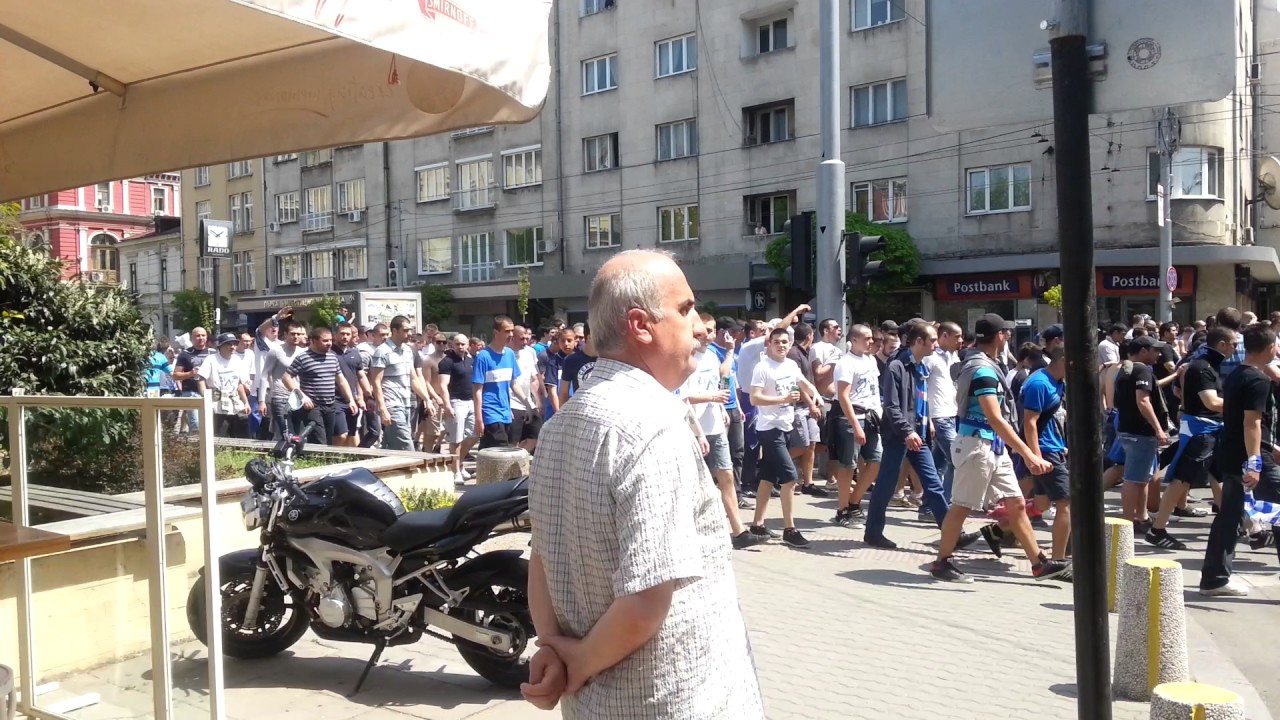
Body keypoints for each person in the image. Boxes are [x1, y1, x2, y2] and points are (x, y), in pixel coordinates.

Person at [523, 250, 764, 718]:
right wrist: (577, 661)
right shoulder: (653, 426)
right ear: (641, 325)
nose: (700, 327)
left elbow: (542, 559)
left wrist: (552, 648)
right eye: (685, 309)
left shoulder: (558, 426)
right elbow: (647, 596)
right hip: (672, 700)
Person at [933, 314, 1068, 583]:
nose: (1009, 337)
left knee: (1017, 504)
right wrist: (1028, 454)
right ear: (1000, 336)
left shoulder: (985, 365)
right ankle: (941, 562)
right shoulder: (982, 370)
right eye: (1006, 333)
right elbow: (995, 418)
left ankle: (1039, 564)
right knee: (961, 506)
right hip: (977, 445)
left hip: (991, 446)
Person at [1199, 323, 1279, 597]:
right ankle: (1214, 578)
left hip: (1235, 454)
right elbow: (1251, 423)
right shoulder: (1258, 380)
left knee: (1230, 516)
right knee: (1269, 511)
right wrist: (1255, 460)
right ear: (1270, 348)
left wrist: (1268, 447)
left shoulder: (1237, 375)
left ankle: (1214, 578)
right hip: (1249, 458)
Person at [1022, 347, 1072, 563]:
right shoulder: (1039, 383)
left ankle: (999, 529)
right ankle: (1058, 560)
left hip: (1054, 448)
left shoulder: (1059, 382)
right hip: (1045, 450)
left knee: (1042, 504)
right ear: (1063, 359)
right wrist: (1036, 457)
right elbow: (1029, 422)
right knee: (1066, 503)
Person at [282, 326, 357, 445]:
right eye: (325, 341)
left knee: (329, 440)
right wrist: (302, 396)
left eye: (330, 340)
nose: (329, 343)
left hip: (330, 405)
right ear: (313, 341)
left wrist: (351, 400)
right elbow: (286, 378)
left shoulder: (332, 357)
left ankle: (326, 457)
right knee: (319, 440)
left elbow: (341, 380)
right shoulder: (303, 358)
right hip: (313, 406)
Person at [472, 315, 530, 448]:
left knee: (489, 451)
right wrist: (479, 418)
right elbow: (477, 390)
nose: (511, 335)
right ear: (496, 332)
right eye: (507, 331)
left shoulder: (510, 354)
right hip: (490, 413)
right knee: (501, 449)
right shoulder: (483, 357)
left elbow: (514, 384)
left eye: (512, 331)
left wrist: (528, 404)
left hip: (506, 414)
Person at [197, 332, 251, 438]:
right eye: (229, 344)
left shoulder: (237, 360)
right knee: (220, 437)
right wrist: (205, 398)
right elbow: (201, 379)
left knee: (243, 436)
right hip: (218, 404)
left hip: (235, 403)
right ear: (220, 346)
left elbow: (239, 384)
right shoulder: (211, 360)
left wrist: (246, 402)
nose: (232, 347)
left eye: (234, 344)